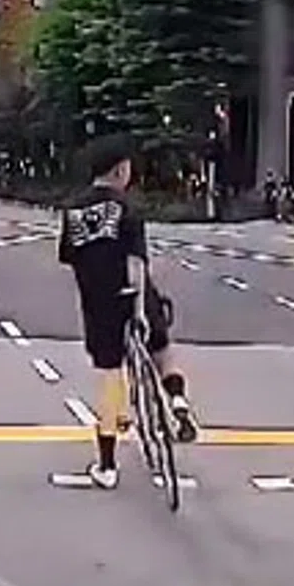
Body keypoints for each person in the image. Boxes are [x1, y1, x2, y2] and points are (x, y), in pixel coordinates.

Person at [57, 135, 200, 490]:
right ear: (121, 169)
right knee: (162, 348)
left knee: (110, 376)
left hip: (98, 302)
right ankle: (178, 402)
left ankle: (106, 465)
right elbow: (136, 261)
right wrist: (140, 307)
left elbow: (69, 257)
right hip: (134, 294)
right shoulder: (127, 208)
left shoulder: (73, 210)